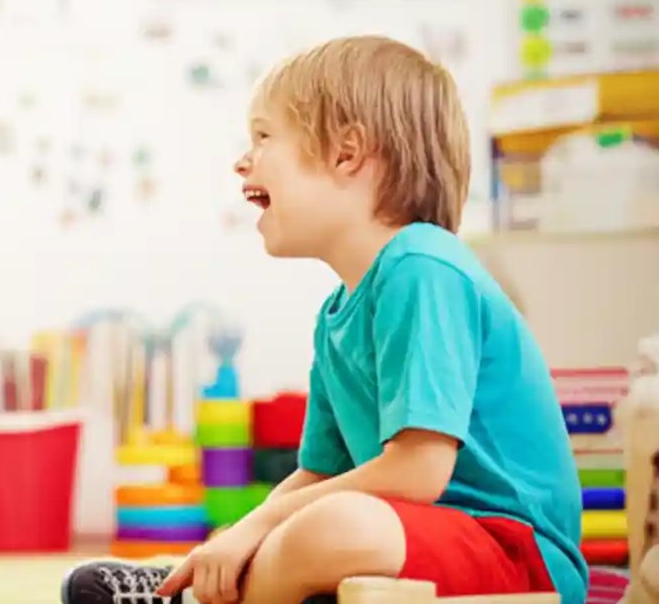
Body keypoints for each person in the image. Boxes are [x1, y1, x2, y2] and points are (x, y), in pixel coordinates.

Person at [61, 36, 588, 604]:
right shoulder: (338, 314)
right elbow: (316, 473)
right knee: (319, 521)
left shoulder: (424, 266)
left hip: (516, 553)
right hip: (416, 536)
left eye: (263, 137)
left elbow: (417, 473)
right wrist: (234, 537)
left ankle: (193, 598)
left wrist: (259, 530)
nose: (243, 160)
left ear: (346, 153)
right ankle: (198, 583)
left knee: (334, 526)